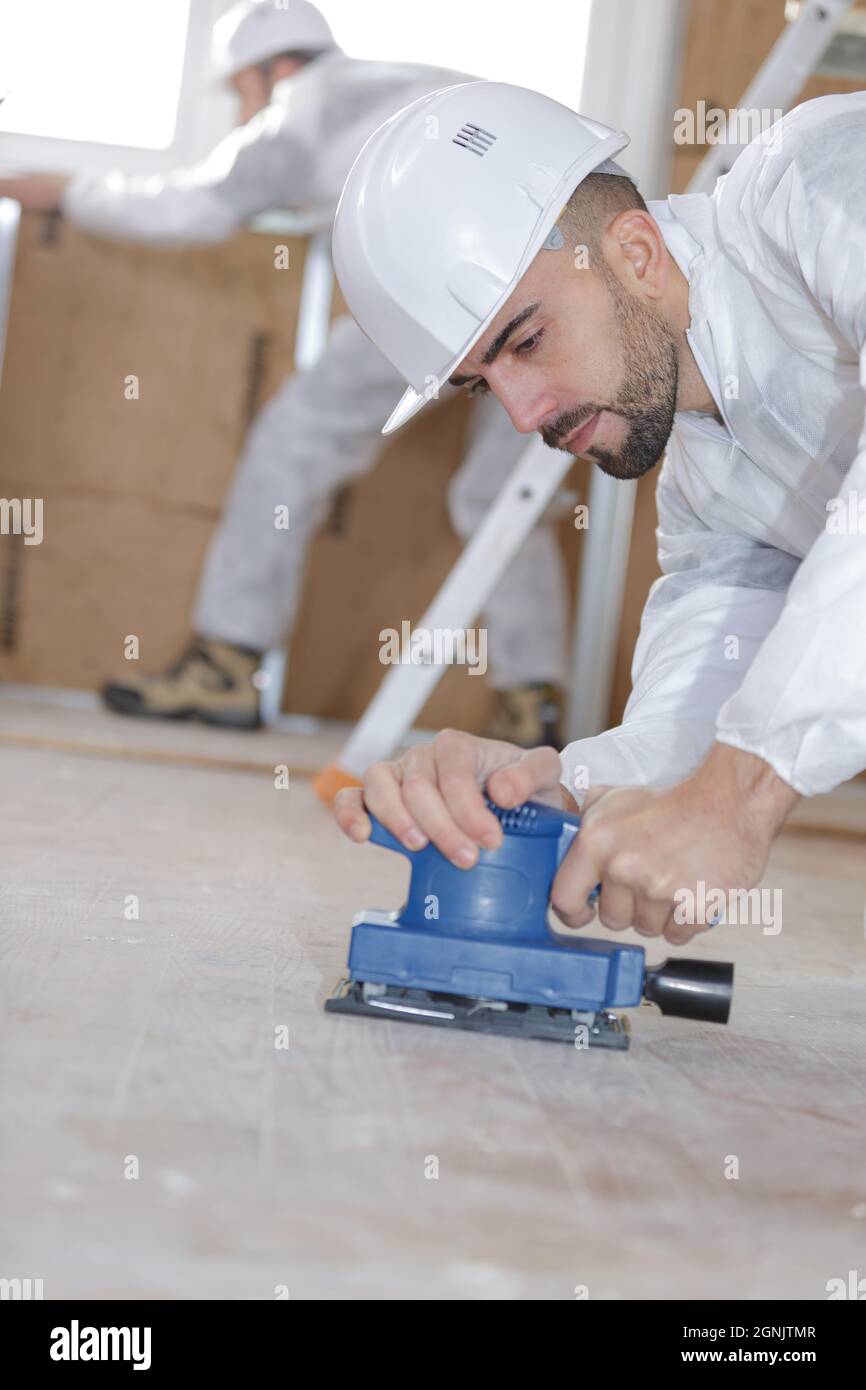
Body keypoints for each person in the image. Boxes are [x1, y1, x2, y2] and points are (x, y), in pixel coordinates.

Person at [330, 79, 866, 944]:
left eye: (528, 342)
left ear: (637, 253)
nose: (522, 414)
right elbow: (697, 710)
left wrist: (739, 797)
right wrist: (560, 792)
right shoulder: (709, 490)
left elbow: (731, 776)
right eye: (482, 383)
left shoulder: (817, 175)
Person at [0, 1, 568, 745]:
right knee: (501, 494)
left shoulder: (306, 103)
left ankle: (227, 662)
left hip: (449, 282)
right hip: (560, 275)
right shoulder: (413, 84)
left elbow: (196, 208)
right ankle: (535, 705)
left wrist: (66, 189)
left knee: (293, 441)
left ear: (278, 68)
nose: (241, 109)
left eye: (241, 90)